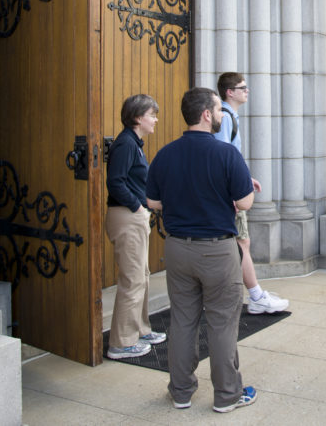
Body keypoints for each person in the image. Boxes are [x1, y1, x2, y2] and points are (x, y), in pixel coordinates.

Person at [146, 88, 258, 413]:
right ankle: (227, 396)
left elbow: (152, 202)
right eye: (218, 109)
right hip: (217, 250)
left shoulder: (165, 154)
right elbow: (244, 202)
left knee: (182, 321)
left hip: (178, 249)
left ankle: (180, 392)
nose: (222, 114)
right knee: (222, 323)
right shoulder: (226, 154)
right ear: (207, 115)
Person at [215, 72, 288, 314]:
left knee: (238, 242)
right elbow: (222, 157)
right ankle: (256, 296)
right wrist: (234, 192)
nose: (247, 90)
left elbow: (230, 157)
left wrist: (245, 178)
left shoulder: (229, 116)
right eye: (242, 87)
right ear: (230, 92)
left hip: (232, 187)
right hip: (229, 193)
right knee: (242, 242)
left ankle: (243, 294)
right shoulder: (225, 117)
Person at [105, 94, 168, 359]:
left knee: (142, 275)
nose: (155, 119)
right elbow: (115, 182)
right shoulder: (125, 144)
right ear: (137, 117)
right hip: (126, 217)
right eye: (152, 114)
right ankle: (121, 343)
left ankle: (140, 329)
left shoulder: (133, 143)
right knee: (132, 279)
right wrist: (138, 207)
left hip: (133, 216)